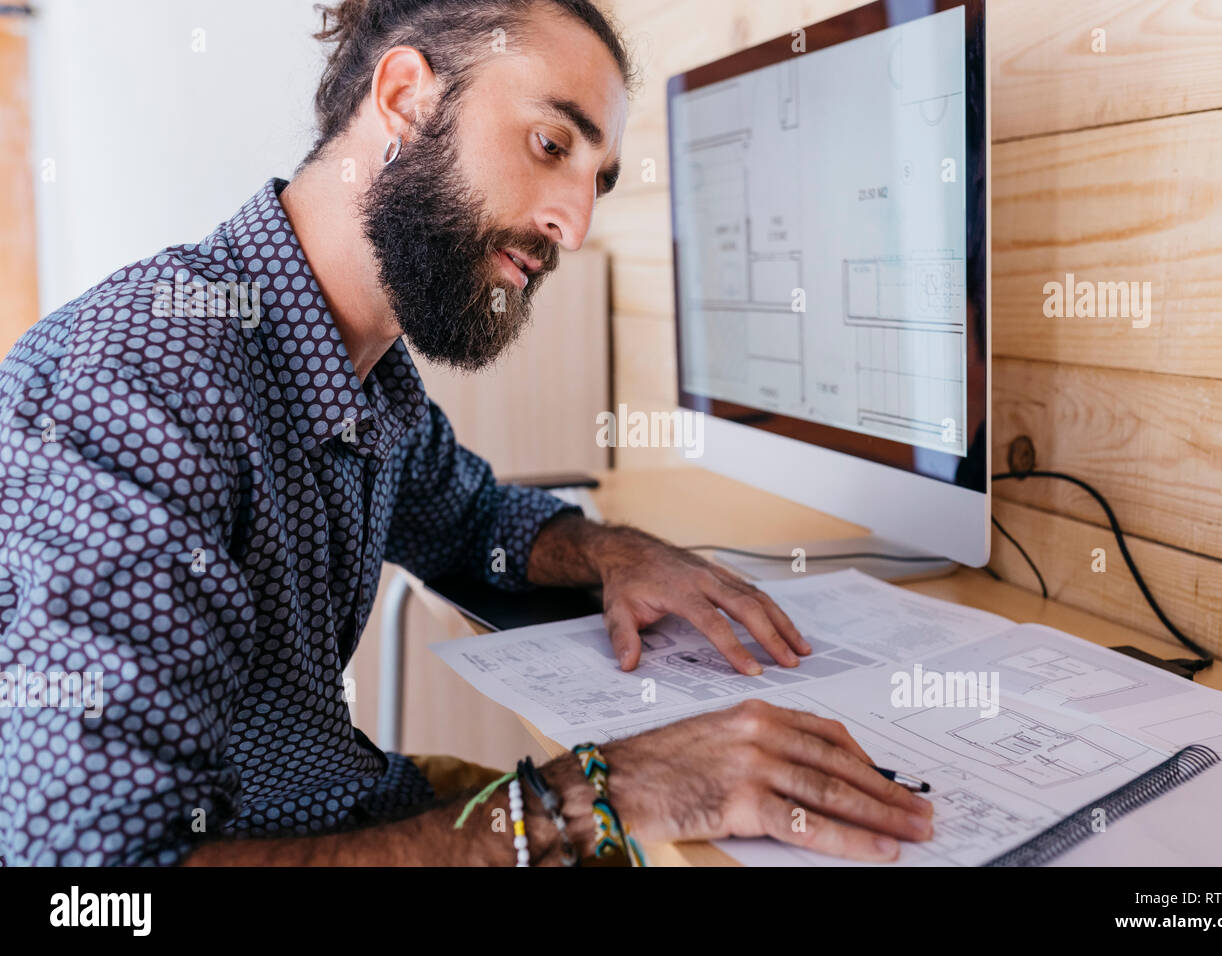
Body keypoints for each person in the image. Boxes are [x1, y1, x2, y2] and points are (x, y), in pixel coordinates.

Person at [0, 0, 933, 866]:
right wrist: (602, 794)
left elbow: (473, 521)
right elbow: (92, 887)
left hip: (327, 801)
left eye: (596, 178)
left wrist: (617, 552)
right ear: (405, 98)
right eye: (548, 141)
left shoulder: (359, 368)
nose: (572, 223)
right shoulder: (149, 385)